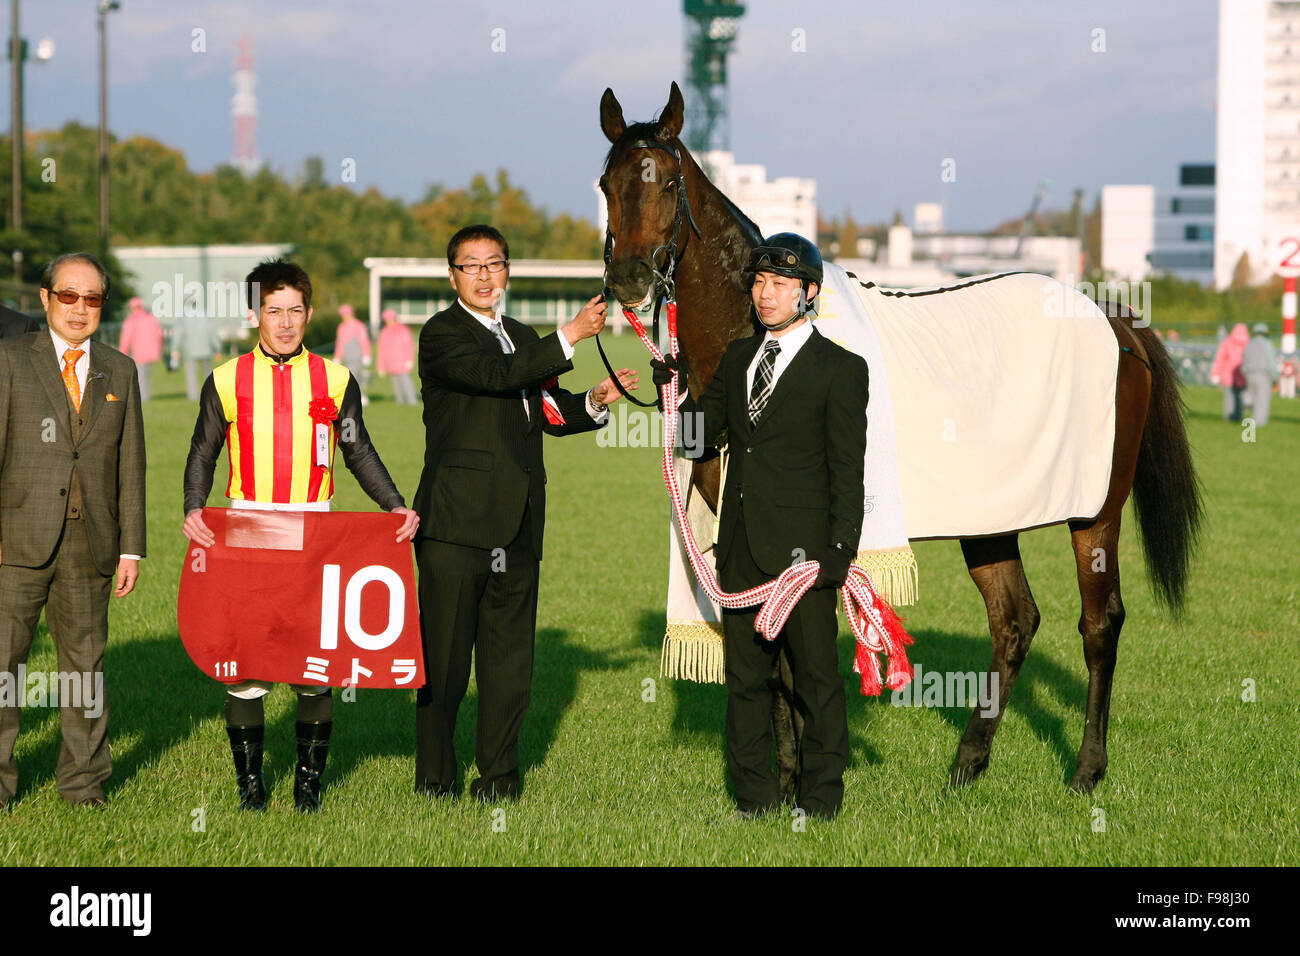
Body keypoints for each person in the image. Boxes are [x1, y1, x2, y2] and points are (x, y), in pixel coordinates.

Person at [182, 258, 419, 813]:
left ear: (309, 313)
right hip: (248, 536)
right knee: (246, 670)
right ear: (253, 315)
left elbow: (357, 450)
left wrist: (395, 505)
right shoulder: (224, 377)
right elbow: (202, 452)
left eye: (294, 311)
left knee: (316, 668)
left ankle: (308, 785)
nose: (285, 322)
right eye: (273, 311)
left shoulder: (337, 379)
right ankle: (250, 788)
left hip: (316, 536)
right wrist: (195, 507)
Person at [413, 223, 637, 802]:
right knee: (444, 663)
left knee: (509, 664)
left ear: (508, 270)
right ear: (453, 275)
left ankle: (499, 779)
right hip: (455, 524)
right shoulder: (441, 334)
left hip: (518, 524)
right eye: (472, 265)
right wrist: (570, 337)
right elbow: (495, 377)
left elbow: (536, 407)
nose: (485, 275)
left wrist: (594, 400)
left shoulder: (520, 333)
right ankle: (436, 779)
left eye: (495, 263)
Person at [653, 233, 868, 820]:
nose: (764, 295)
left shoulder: (843, 370)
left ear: (810, 293)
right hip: (741, 553)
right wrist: (670, 388)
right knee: (745, 685)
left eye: (779, 284)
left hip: (807, 563)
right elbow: (698, 438)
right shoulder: (739, 357)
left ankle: (820, 802)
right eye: (758, 283)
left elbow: (848, 473)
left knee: (815, 685)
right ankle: (754, 799)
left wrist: (839, 556)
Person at [0, 253, 145, 809]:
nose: (80, 308)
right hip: (16, 543)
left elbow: (130, 464)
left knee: (85, 670)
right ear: (44, 298)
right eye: (68, 296)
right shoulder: (11, 360)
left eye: (91, 299)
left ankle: (83, 786)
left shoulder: (121, 368)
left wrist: (131, 546)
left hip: (92, 547)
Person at [176, 293, 221, 401]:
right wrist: (217, 348)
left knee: (191, 374)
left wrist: (175, 349)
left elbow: (178, 333)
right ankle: (210, 394)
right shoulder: (205, 314)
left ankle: (193, 396)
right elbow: (212, 332)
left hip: (190, 350)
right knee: (208, 374)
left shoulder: (183, 317)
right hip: (205, 349)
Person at [118, 296, 163, 402]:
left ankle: (143, 397)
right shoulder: (152, 318)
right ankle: (146, 395)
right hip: (152, 352)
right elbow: (159, 335)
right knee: (146, 375)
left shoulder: (131, 320)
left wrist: (122, 353)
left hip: (139, 353)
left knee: (140, 376)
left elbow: (126, 339)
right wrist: (159, 349)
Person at [333, 304, 372, 405]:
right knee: (349, 378)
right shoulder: (341, 327)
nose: (345, 316)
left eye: (346, 314)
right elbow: (339, 343)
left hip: (357, 356)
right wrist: (337, 357)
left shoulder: (359, 326)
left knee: (354, 377)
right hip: (347, 358)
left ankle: (361, 397)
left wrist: (366, 355)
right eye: (343, 315)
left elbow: (364, 341)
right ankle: (355, 397)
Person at [376, 308, 417, 405]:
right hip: (390, 363)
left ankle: (412, 401)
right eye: (386, 319)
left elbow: (409, 345)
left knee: (406, 382)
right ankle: (400, 402)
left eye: (390, 319)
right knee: (395, 384)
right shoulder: (384, 332)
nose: (388, 321)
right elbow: (381, 350)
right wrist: (381, 366)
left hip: (402, 363)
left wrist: (409, 360)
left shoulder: (403, 330)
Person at [1241, 322, 1279, 426]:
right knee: (1262, 400)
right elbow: (1271, 362)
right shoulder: (1268, 344)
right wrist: (1275, 377)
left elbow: (1244, 360)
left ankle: (1252, 419)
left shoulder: (1249, 344)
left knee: (1253, 398)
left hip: (1250, 374)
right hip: (1263, 374)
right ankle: (1259, 423)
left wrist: (1245, 373)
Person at [1210, 322, 1249, 421]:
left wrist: (1215, 373)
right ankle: (1238, 416)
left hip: (1228, 376)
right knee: (1240, 398)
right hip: (1243, 377)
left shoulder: (1227, 343)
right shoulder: (1248, 344)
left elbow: (1219, 359)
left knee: (1229, 398)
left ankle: (1230, 417)